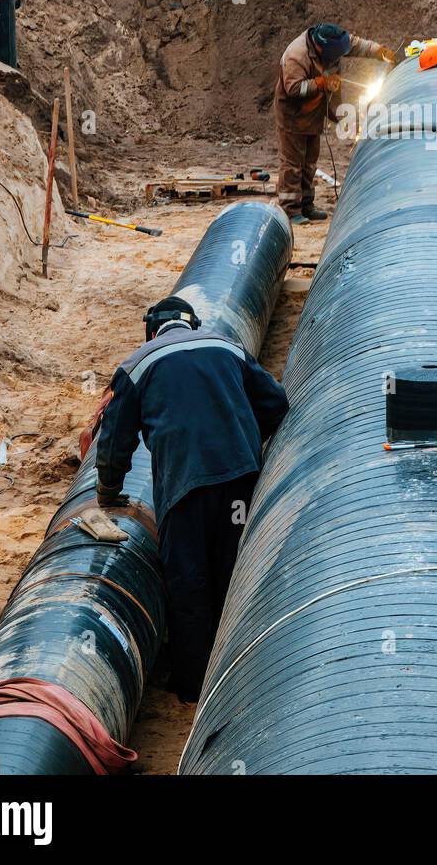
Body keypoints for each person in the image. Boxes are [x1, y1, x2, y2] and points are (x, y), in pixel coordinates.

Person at [95, 295, 289, 703]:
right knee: (231, 572)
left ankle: (194, 686)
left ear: (152, 329)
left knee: (188, 582)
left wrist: (108, 492)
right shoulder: (227, 346)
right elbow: (275, 402)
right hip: (239, 482)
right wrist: (244, 441)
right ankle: (241, 668)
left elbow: (115, 441)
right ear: (192, 324)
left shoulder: (138, 364)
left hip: (184, 490)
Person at [274, 22, 397, 224]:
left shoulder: (334, 42)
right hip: (293, 115)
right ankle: (290, 210)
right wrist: (320, 83)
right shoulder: (297, 55)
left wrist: (379, 52)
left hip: (314, 112)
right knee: (293, 163)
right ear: (321, 48)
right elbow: (293, 89)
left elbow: (356, 45)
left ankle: (306, 204)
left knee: (310, 161)